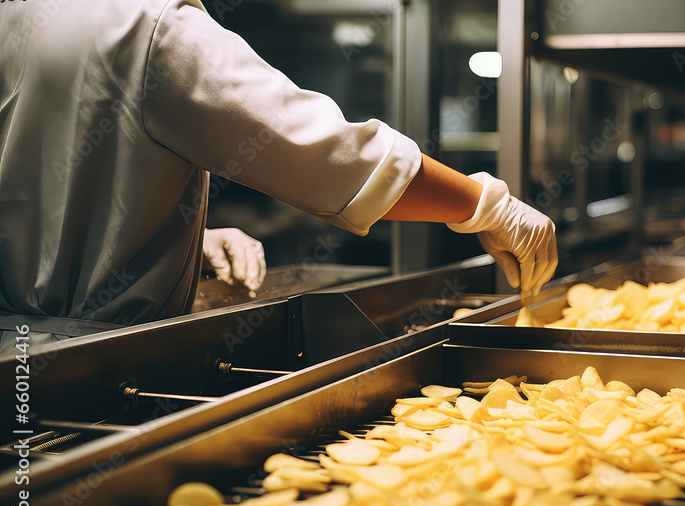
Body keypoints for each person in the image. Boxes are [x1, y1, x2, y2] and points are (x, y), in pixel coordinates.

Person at [0, 0, 557, 353]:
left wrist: (179, 234)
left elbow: (42, 186)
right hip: (86, 372)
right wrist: (486, 204)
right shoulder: (147, 23)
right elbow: (322, 150)